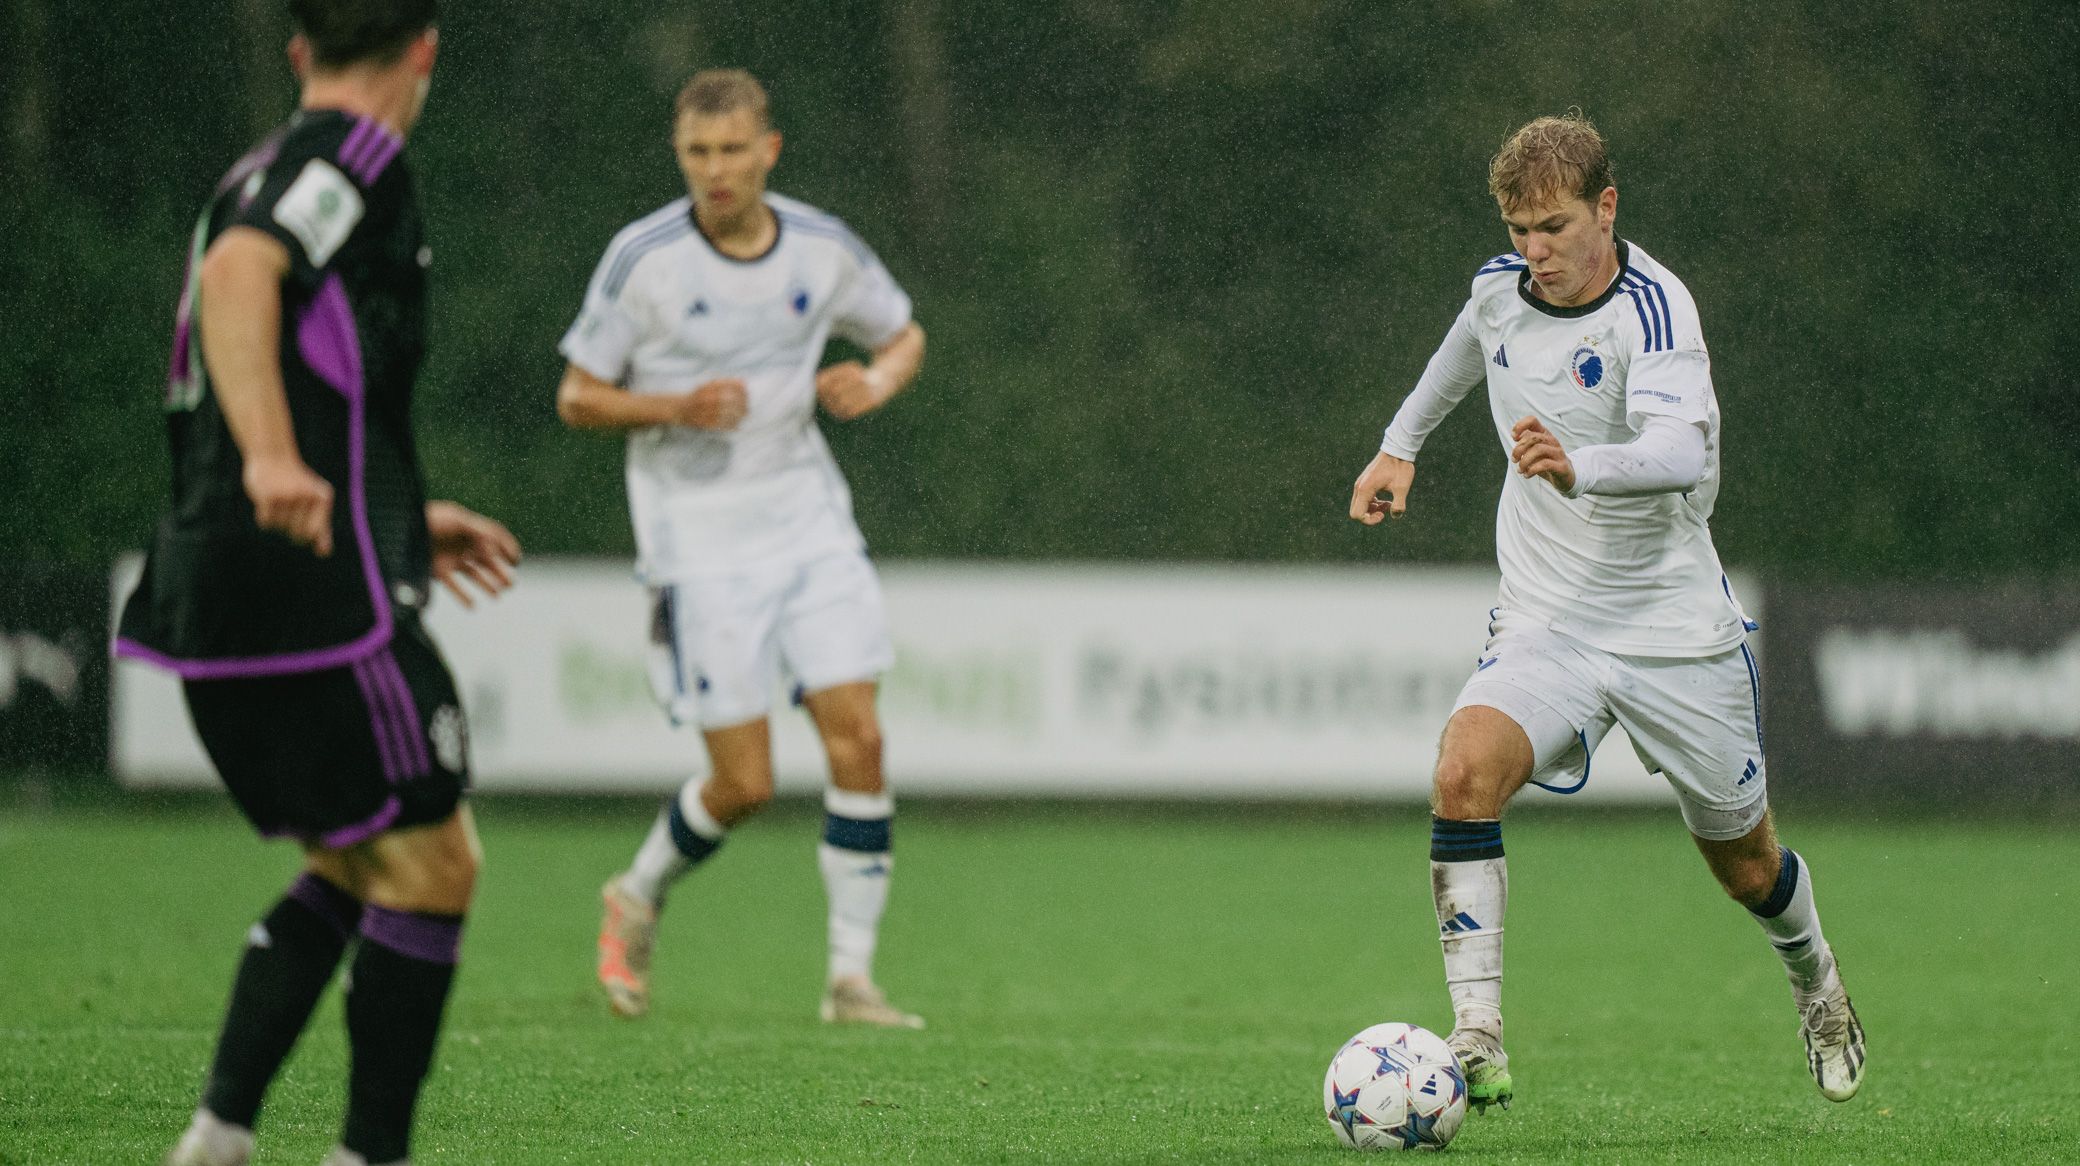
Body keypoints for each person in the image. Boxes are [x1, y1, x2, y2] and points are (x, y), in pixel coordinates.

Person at [1347, 113, 1863, 1115]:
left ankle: (1817, 980)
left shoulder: (1656, 311)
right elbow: (1467, 343)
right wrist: (1398, 445)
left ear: (1606, 208)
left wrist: (1579, 466)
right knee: (1462, 773)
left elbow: (1680, 452)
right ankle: (1476, 1033)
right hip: (1549, 618)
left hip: (1672, 629)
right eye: (1518, 230)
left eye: (1554, 227)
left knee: (1746, 864)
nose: (1534, 252)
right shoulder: (1500, 288)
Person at [115, 3, 521, 1163]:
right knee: (435, 861)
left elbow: (289, 339)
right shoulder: (353, 156)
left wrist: (388, 505)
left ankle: (219, 1132)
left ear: (300, 51)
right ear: (424, 48)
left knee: (355, 856)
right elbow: (244, 273)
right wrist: (272, 459)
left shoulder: (257, 166)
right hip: (308, 587)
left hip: (223, 570)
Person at [556, 69, 927, 1028]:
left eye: (731, 151)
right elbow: (578, 396)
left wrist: (876, 382)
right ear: (680, 155)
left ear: (769, 150)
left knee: (861, 737)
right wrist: (673, 406)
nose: (715, 171)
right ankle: (638, 892)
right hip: (697, 542)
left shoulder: (821, 246)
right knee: (746, 783)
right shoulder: (643, 260)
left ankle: (851, 979)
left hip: (807, 519)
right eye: (697, 153)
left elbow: (903, 335)